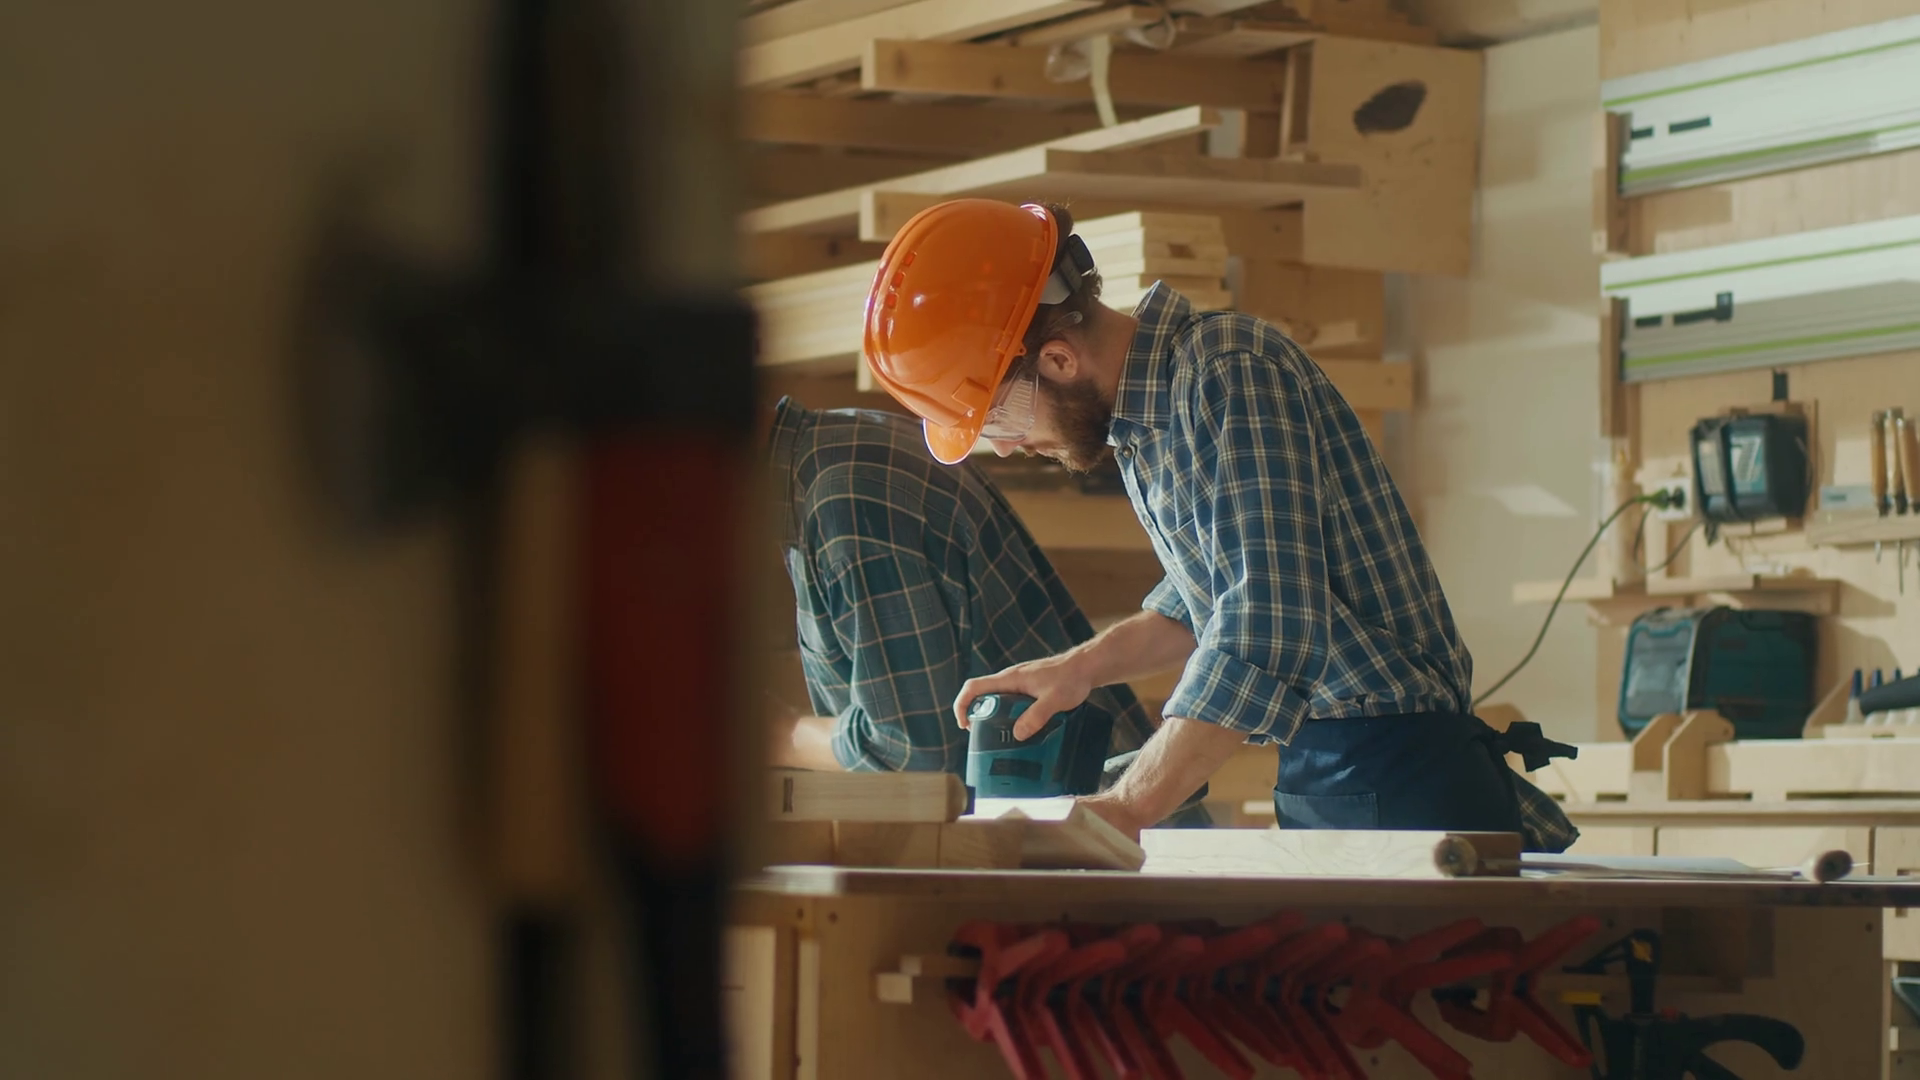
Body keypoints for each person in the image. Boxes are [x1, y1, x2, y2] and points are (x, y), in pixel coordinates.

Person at [858, 198, 1579, 852]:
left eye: (1000, 416)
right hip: (1332, 762)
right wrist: (1080, 670)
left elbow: (1265, 619)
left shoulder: (1226, 372)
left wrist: (1128, 807)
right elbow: (1206, 599)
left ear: (1058, 359)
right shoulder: (1150, 420)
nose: (1008, 446)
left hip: (1399, 769)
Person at [762, 395, 1161, 783]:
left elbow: (909, 754)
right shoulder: (843, 444)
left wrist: (782, 736)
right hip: (1081, 799)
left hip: (1075, 810)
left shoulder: (847, 506)